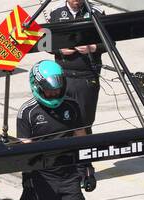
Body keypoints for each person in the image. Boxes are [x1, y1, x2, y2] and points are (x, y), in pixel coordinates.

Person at [18, 61, 87, 200]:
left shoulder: (72, 106)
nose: (54, 92)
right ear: (36, 86)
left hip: (69, 174)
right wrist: (27, 184)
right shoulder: (27, 113)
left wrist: (88, 168)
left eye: (57, 88)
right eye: (49, 89)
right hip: (43, 179)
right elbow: (24, 154)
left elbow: (82, 139)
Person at [48, 0, 103, 128]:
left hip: (87, 77)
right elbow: (44, 43)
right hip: (62, 77)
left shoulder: (96, 11)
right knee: (61, 121)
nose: (77, 1)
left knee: (85, 121)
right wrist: (59, 49)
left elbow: (110, 42)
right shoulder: (55, 12)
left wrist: (93, 47)